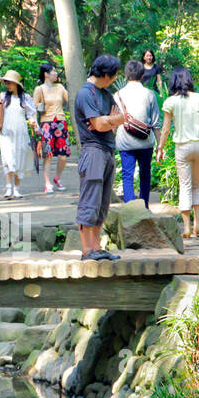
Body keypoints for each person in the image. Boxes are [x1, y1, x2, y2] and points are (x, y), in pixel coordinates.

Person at [156, 66, 199, 238]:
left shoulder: (170, 102)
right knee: (196, 185)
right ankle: (197, 226)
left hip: (182, 147)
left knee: (185, 186)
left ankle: (186, 229)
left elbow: (165, 129)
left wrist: (160, 148)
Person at [72, 54, 127, 261]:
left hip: (107, 151)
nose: (114, 79)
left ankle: (96, 247)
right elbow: (100, 125)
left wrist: (109, 120)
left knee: (102, 203)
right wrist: (110, 120)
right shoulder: (86, 94)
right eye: (113, 76)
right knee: (90, 200)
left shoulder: (105, 94)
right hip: (93, 151)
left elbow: (122, 116)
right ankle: (87, 250)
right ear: (106, 75)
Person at [115, 60, 162, 208]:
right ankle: (144, 207)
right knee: (145, 175)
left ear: (126, 75)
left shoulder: (117, 95)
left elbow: (113, 120)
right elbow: (156, 122)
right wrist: (160, 145)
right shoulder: (149, 94)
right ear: (142, 75)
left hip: (125, 141)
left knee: (127, 175)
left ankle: (130, 209)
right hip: (145, 141)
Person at [0, 69, 36, 199]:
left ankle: (17, 188)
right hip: (6, 133)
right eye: (6, 83)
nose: (7, 85)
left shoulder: (25, 98)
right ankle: (9, 187)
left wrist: (33, 122)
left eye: (9, 82)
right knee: (8, 159)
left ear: (16, 84)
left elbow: (31, 114)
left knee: (19, 159)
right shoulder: (2, 97)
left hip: (20, 133)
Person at [33, 63, 71, 194]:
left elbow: (70, 99)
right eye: (53, 71)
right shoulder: (39, 89)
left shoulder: (60, 87)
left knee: (63, 156)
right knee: (47, 155)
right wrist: (35, 125)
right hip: (46, 124)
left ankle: (57, 178)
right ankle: (47, 183)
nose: (56, 73)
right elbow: (33, 108)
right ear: (46, 74)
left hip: (61, 123)